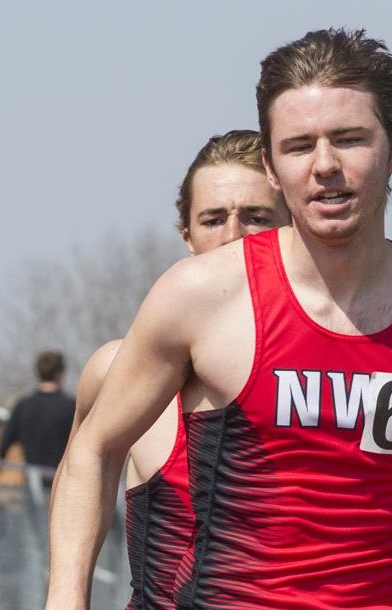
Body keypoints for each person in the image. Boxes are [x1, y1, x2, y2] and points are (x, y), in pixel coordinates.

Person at [47, 28, 392, 610]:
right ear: (271, 165)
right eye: (299, 146)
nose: (324, 165)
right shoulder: (199, 297)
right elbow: (92, 451)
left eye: (349, 139)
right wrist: (66, 600)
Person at [69, 129, 290, 609]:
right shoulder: (114, 370)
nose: (233, 236)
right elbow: (82, 470)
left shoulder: (340, 374)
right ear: (186, 236)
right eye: (213, 219)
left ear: (293, 227)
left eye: (256, 217)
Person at [0, 350, 75, 480]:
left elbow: (3, 446)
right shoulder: (71, 406)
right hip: (62, 480)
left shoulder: (23, 406)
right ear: (59, 373)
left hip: (32, 482)